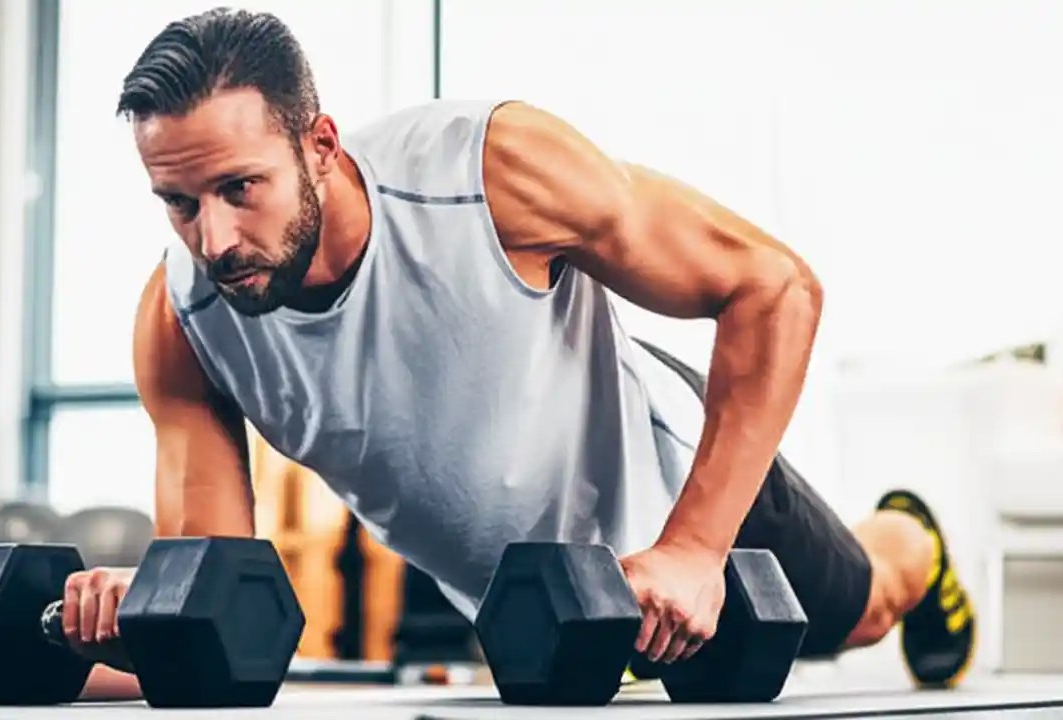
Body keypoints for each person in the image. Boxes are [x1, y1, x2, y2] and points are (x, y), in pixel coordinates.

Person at [63, 8, 976, 700]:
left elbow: (773, 286)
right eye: (179, 204)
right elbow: (213, 602)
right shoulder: (184, 323)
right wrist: (108, 625)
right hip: (533, 616)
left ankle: (913, 540)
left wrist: (695, 548)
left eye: (238, 188)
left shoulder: (485, 174)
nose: (213, 238)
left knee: (862, 614)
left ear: (322, 145)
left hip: (676, 489)